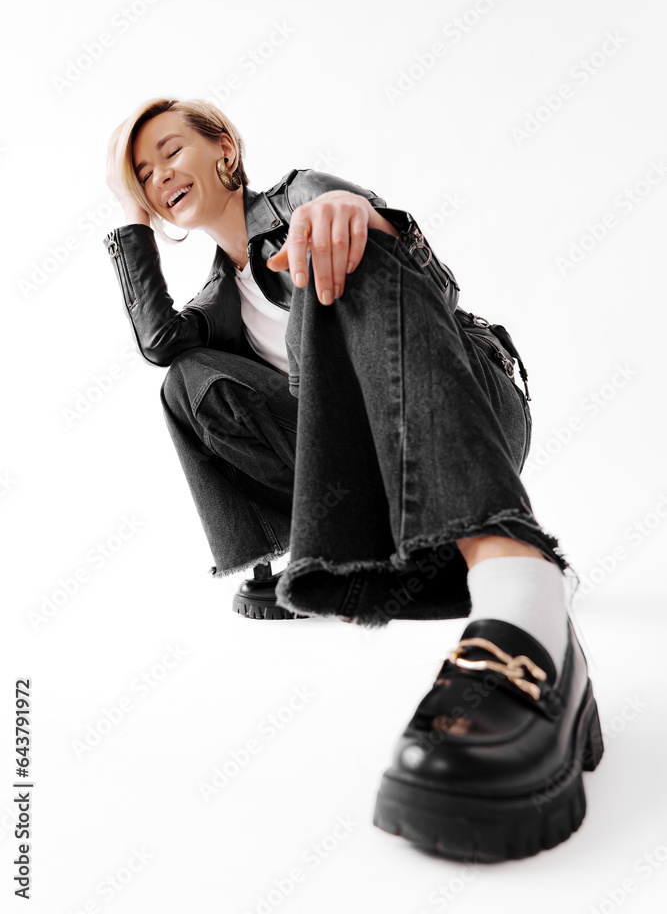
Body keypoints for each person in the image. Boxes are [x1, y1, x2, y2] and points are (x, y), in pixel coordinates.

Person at [103, 96, 603, 862]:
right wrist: (130, 230)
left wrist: (351, 209)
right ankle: (320, 547)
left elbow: (381, 244)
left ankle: (521, 590)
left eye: (170, 150)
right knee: (186, 380)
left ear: (224, 149)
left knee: (339, 247)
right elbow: (159, 342)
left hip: (469, 401)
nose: (159, 172)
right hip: (372, 455)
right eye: (143, 172)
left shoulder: (302, 193)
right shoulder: (214, 304)